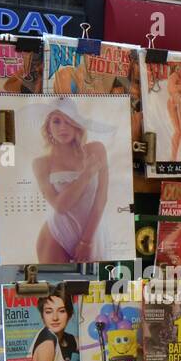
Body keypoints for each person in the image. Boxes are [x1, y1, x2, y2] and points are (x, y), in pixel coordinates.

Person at [33, 101, 110, 263]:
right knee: (55, 286)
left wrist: (86, 242)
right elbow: (60, 206)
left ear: (77, 124)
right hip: (56, 234)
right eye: (56, 121)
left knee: (97, 287)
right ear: (48, 127)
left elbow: (101, 198)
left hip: (93, 233)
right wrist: (87, 174)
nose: (63, 127)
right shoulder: (41, 163)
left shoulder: (96, 150)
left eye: (69, 120)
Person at [30, 288, 79, 361]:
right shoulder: (47, 343)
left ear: (69, 315)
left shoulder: (71, 339)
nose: (55, 318)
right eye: (48, 312)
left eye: (61, 311)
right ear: (42, 316)